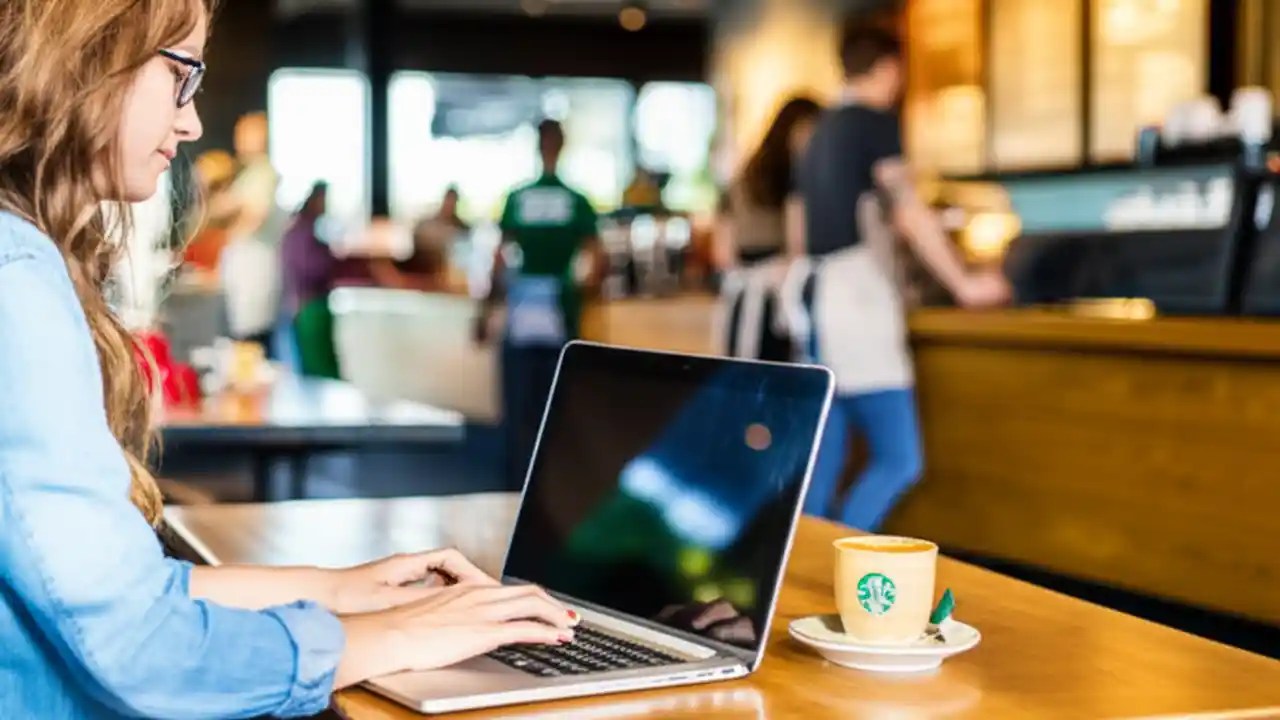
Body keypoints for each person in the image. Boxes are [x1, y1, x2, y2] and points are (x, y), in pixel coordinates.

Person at [0, 3, 576, 718]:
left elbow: (115, 591)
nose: (191, 123)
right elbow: (138, 644)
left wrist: (341, 589)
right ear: (86, 60)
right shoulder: (15, 276)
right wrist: (392, 633)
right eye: (181, 76)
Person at [789, 25, 1010, 532]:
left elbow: (798, 232)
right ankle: (837, 558)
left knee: (824, 464)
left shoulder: (815, 133)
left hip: (814, 300)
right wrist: (965, 284)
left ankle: (800, 572)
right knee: (900, 459)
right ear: (889, 68)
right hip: (857, 297)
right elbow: (908, 211)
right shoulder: (873, 122)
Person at [476, 119, 604, 488]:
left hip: (521, 313)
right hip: (562, 311)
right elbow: (596, 260)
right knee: (559, 408)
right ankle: (552, 490)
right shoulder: (576, 200)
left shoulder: (518, 198)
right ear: (561, 146)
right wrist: (581, 287)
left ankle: (516, 487)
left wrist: (484, 312)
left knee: (518, 411)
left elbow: (499, 261)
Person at [714, 96, 822, 363]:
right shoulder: (796, 179)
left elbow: (722, 252)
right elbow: (799, 246)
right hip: (778, 296)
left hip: (742, 297)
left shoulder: (745, 174)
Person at [282, 182, 342, 379]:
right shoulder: (301, 233)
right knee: (316, 368)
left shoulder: (309, 230)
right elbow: (308, 269)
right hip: (308, 304)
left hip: (313, 304)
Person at [371, 185, 469, 293]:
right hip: (421, 267)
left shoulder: (462, 229)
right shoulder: (426, 223)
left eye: (452, 200)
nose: (449, 204)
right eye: (448, 199)